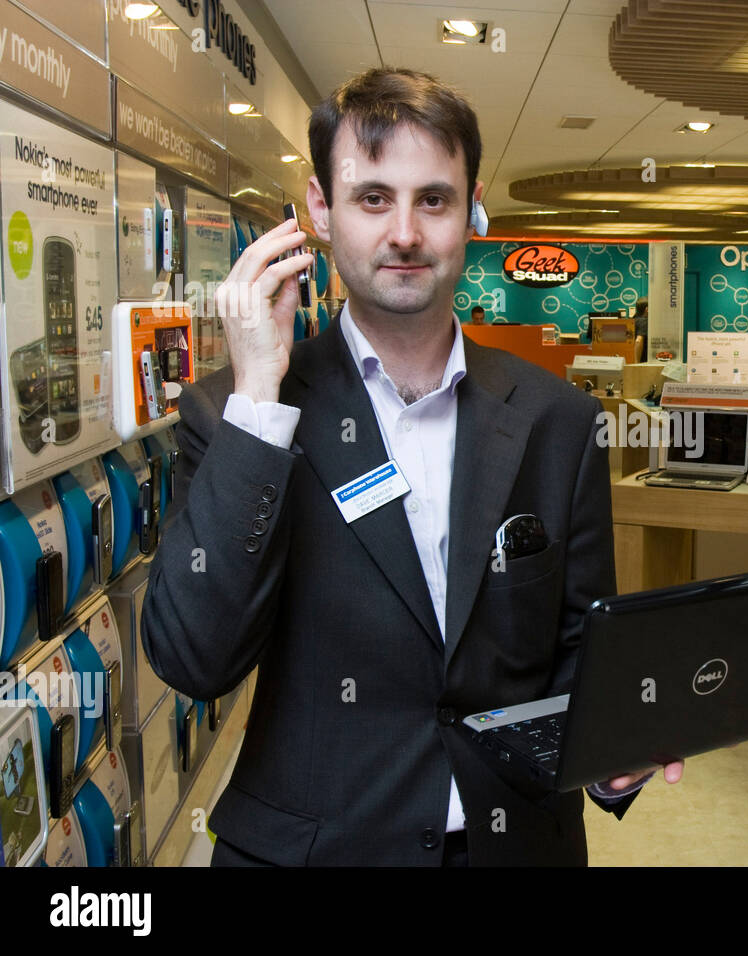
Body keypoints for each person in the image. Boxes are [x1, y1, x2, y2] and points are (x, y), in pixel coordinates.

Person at [140, 67, 682, 866]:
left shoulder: (558, 419)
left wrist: (610, 756)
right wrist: (259, 392)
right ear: (320, 211)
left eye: (433, 199)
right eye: (372, 199)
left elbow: (576, 650)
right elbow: (195, 660)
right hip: (317, 850)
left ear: (472, 210)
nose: (405, 232)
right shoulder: (237, 414)